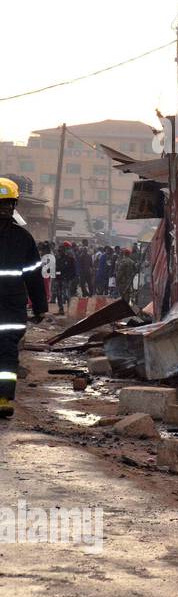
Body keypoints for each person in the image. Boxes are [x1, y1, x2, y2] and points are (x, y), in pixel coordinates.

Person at [0, 178, 48, 419]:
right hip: (11, 310)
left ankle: (4, 399)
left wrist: (40, 306)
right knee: (7, 355)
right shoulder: (24, 238)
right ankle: (4, 399)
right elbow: (34, 278)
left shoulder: (25, 238)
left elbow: (33, 276)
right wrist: (40, 308)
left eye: (7, 205)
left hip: (11, 309)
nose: (5, 209)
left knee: (7, 354)